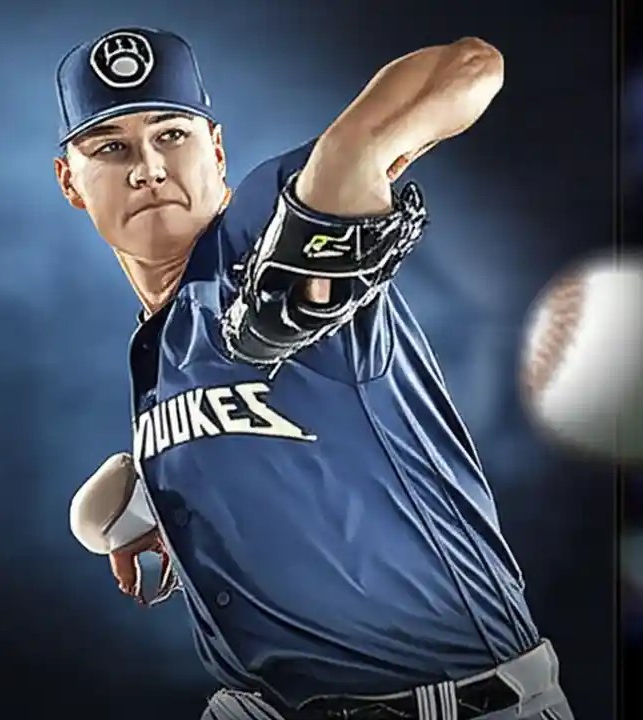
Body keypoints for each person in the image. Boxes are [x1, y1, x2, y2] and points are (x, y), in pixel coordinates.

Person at [55, 26, 573, 720]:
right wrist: (164, 498)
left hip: (455, 703)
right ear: (70, 183)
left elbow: (473, 66)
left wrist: (353, 164)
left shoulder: (261, 226)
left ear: (216, 151)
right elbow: (281, 440)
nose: (148, 167)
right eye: (111, 148)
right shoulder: (154, 348)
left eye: (171, 134)